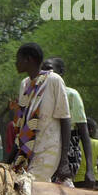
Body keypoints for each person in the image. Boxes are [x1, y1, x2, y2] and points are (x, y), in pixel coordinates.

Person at [8, 42, 72, 183]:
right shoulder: (25, 84)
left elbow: (65, 119)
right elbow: (22, 125)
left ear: (28, 59)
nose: (16, 63)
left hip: (48, 150)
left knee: (28, 187)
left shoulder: (54, 80)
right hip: (26, 152)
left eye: (18, 59)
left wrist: (64, 160)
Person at [42, 56, 95, 188]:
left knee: (62, 189)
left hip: (67, 151)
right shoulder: (39, 96)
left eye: (49, 69)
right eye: (42, 70)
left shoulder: (71, 95)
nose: (45, 74)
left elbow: (84, 135)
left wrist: (90, 170)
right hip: (46, 147)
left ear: (60, 72)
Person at [75, 118, 98, 188]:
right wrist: (95, 164)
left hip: (76, 181)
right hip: (93, 179)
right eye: (96, 130)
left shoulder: (74, 144)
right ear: (90, 130)